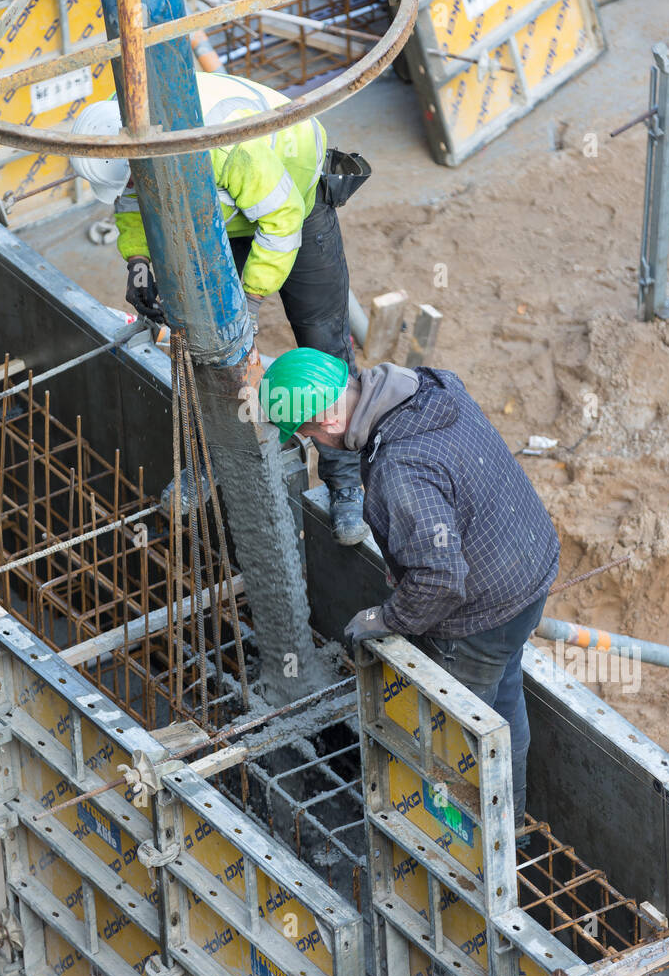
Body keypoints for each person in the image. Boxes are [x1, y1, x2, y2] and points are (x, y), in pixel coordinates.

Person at [256, 346, 561, 831]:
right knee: (503, 703)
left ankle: (470, 846)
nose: (316, 446)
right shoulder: (428, 385)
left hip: (482, 610)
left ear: (328, 417)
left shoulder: (398, 467)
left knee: (460, 737)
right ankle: (513, 826)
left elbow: (440, 580)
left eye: (311, 434)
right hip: (527, 570)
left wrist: (387, 619)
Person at [69, 70, 371, 544]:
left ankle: (346, 482)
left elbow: (281, 221)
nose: (130, 181)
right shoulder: (119, 131)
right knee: (208, 343)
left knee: (322, 340)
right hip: (225, 216)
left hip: (296, 199)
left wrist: (246, 301)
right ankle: (216, 457)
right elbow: (132, 202)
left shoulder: (226, 146)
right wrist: (139, 262)